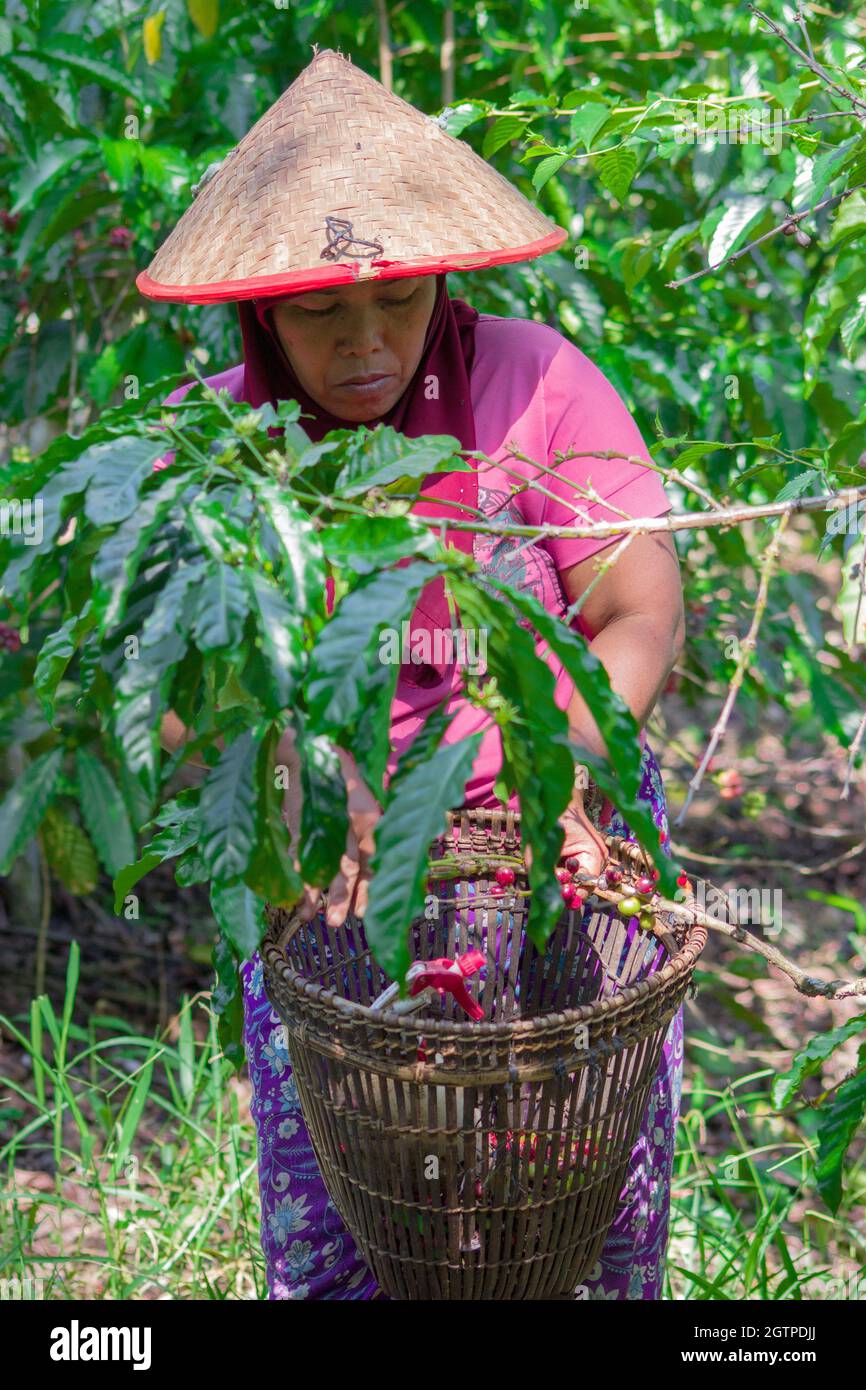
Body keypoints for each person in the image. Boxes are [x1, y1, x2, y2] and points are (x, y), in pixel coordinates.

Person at [140, 48, 685, 1300]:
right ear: (262, 316)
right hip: (333, 872)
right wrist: (295, 777)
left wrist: (560, 774)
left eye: (392, 304)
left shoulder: (531, 381)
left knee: (580, 1217)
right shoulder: (216, 447)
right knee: (351, 1233)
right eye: (321, 315)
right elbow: (164, 666)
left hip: (559, 849)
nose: (367, 344)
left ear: (442, 281)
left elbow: (634, 611)